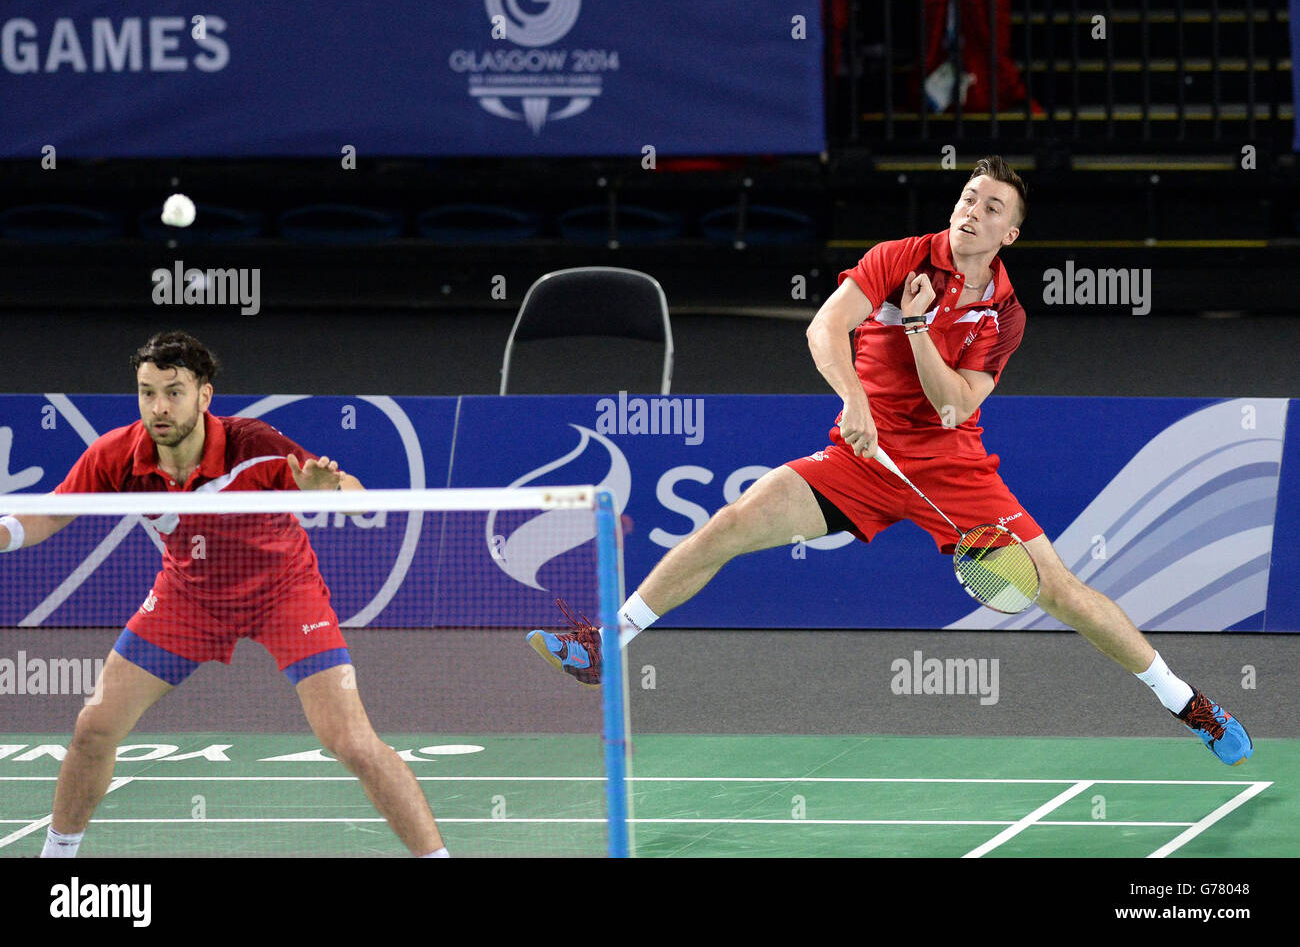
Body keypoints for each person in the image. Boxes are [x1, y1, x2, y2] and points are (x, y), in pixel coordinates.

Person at [526, 156, 1252, 767]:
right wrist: (853, 398)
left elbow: (956, 407)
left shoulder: (1004, 315)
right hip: (861, 454)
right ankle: (604, 645)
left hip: (952, 471)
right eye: (969, 196)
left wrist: (913, 328)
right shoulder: (899, 256)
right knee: (731, 524)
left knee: (1058, 591)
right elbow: (825, 328)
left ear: (1011, 232)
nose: (972, 209)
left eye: (991, 205)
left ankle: (1190, 705)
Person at [0, 331, 450, 856]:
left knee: (350, 741)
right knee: (93, 728)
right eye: (147, 393)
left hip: (283, 592)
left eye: (173, 392)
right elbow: (54, 510)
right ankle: (57, 860)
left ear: (204, 395)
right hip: (187, 597)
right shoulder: (118, 454)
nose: (159, 408)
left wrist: (331, 493)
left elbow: (345, 489)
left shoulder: (252, 443)